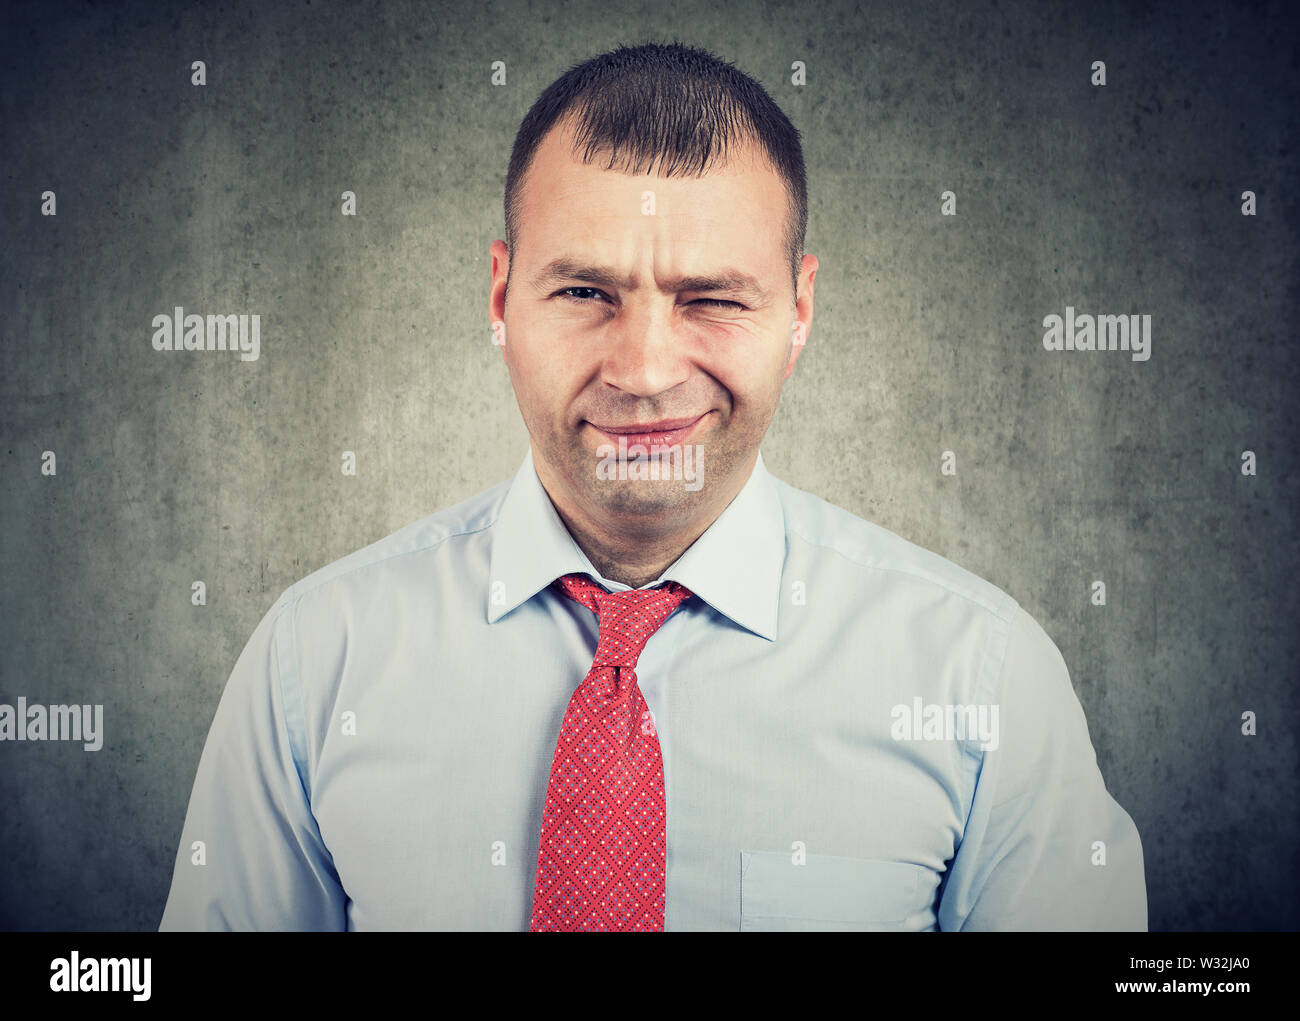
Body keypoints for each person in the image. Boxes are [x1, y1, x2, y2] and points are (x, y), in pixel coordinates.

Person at [159, 41, 1146, 931]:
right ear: (502, 298)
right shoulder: (314, 662)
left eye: (712, 299)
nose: (641, 369)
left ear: (798, 309)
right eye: (584, 293)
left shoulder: (981, 678)